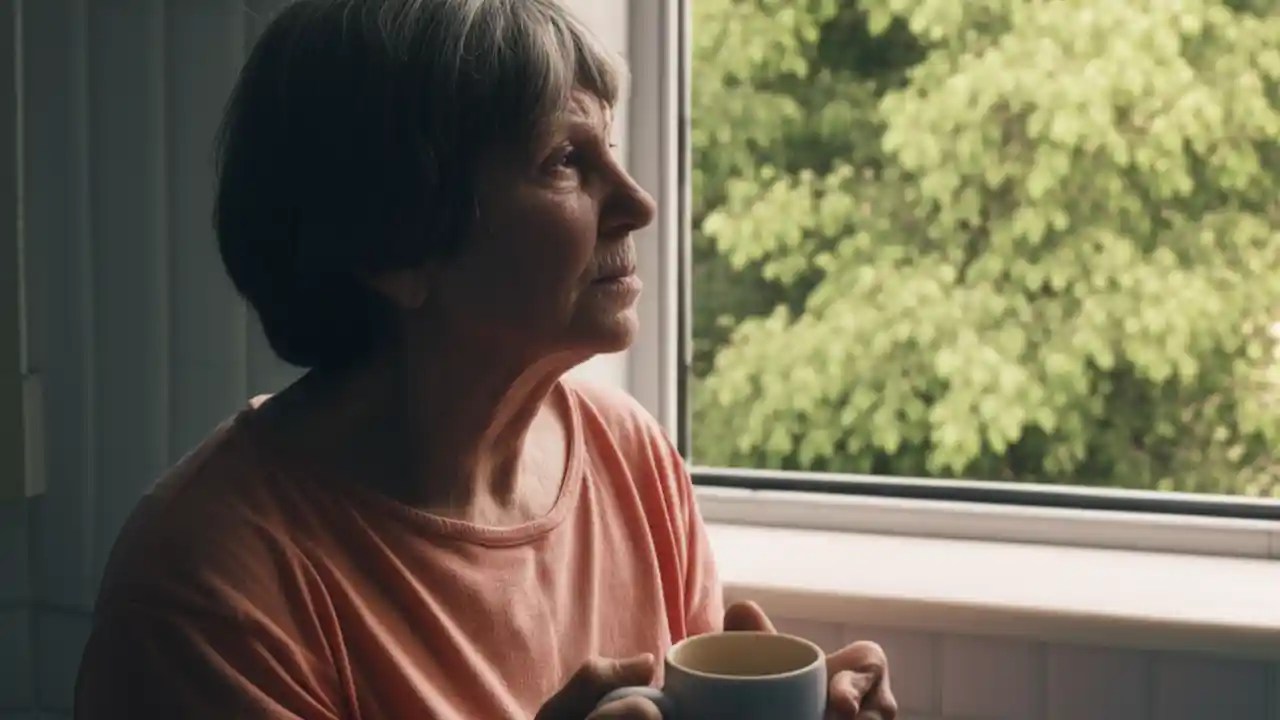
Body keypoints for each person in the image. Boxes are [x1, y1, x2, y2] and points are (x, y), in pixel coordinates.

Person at [72, 1, 897, 718]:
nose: (638, 203)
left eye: (609, 147)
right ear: (395, 244)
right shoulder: (210, 584)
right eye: (565, 161)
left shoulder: (630, 457)